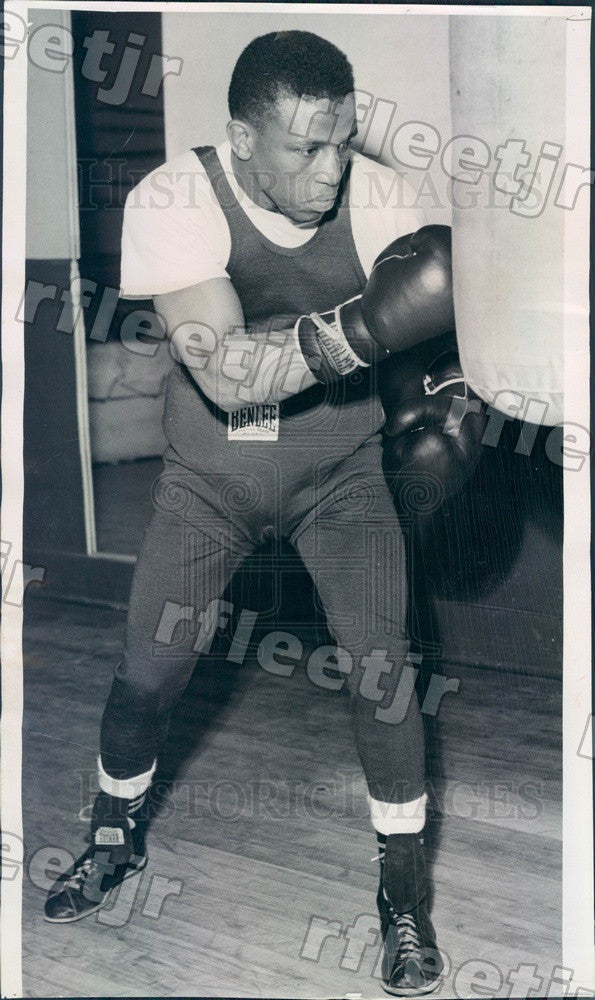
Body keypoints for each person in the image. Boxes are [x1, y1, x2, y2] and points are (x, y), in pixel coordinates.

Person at [45, 30, 456, 996]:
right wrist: (365, 325)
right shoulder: (175, 199)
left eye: (341, 144)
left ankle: (402, 895)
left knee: (384, 671)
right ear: (240, 139)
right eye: (302, 149)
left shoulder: (384, 196)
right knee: (148, 667)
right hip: (208, 483)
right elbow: (230, 378)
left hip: (341, 479)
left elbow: (433, 348)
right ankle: (114, 836)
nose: (328, 173)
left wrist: (445, 391)